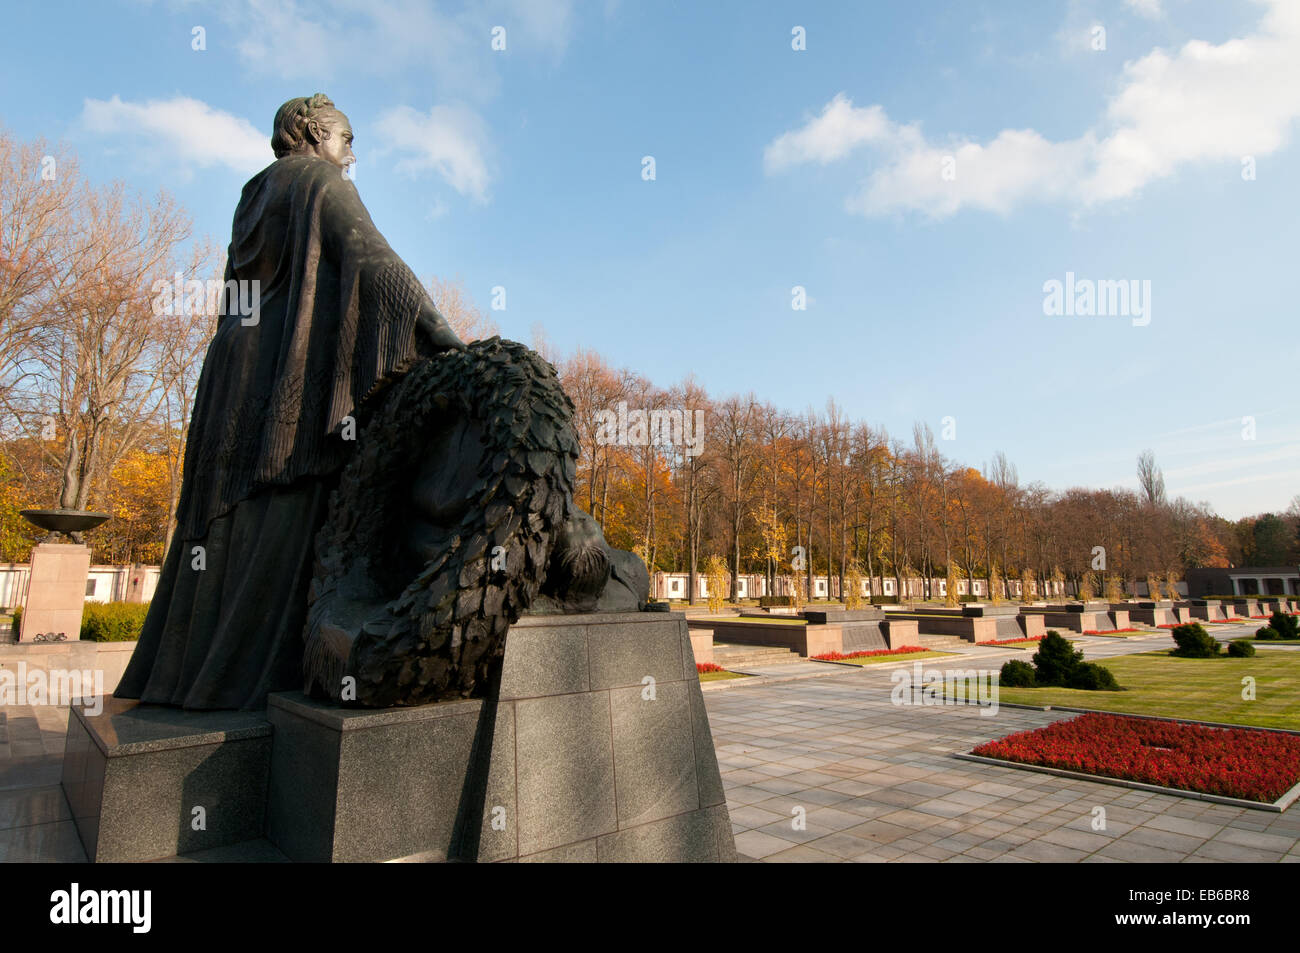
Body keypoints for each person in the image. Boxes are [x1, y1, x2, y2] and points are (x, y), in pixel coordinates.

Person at [115, 94, 463, 710]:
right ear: (311, 132)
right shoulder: (318, 179)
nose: (351, 154)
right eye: (345, 137)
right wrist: (441, 335)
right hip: (286, 371)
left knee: (223, 516)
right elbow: (374, 261)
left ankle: (180, 677)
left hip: (233, 366)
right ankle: (240, 683)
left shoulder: (253, 194)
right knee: (283, 507)